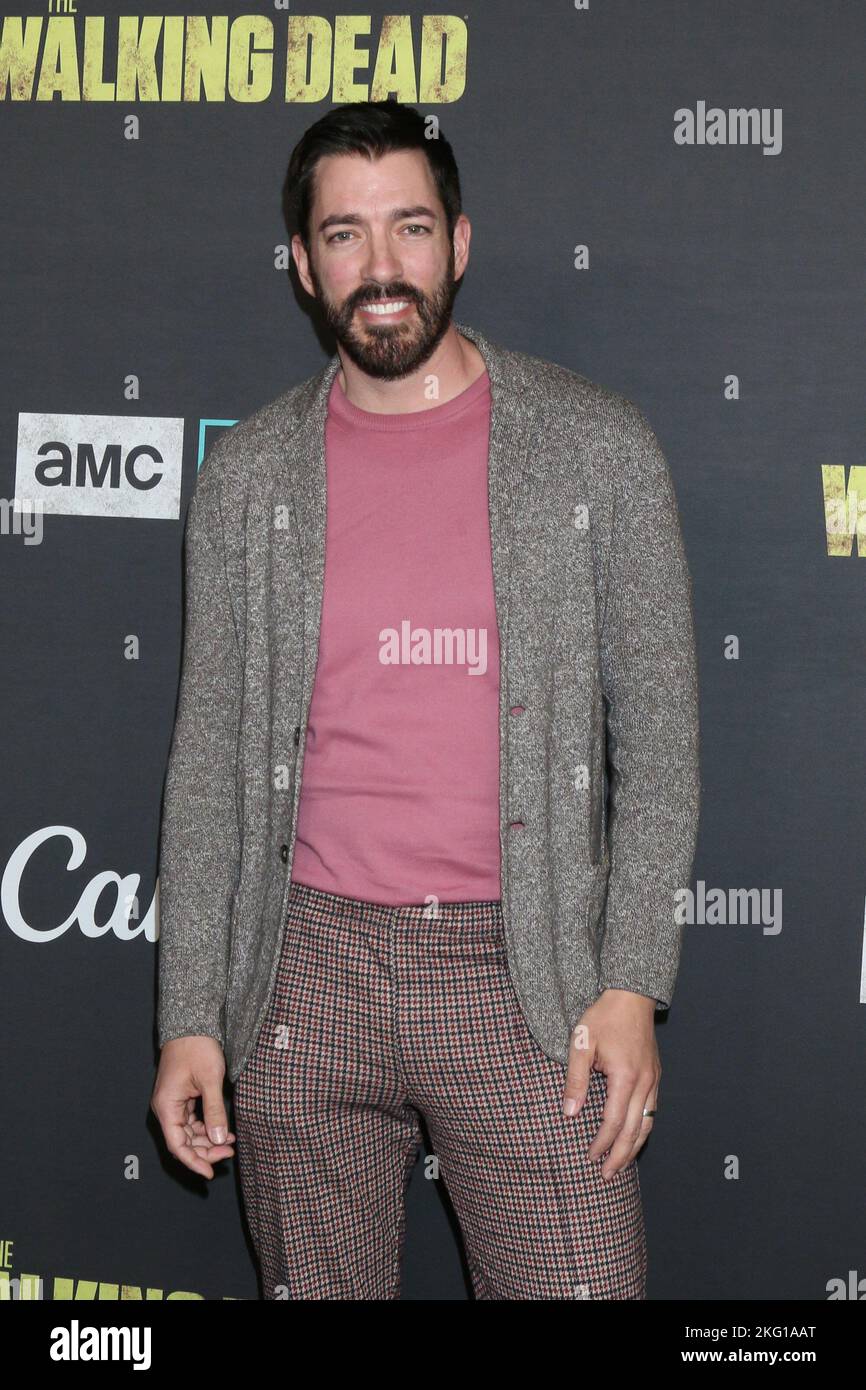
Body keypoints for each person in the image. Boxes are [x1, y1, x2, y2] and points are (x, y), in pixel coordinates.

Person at [150, 99, 700, 1300]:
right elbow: (206, 767)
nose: (381, 268)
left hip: (527, 974)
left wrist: (628, 982)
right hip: (302, 970)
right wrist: (191, 1010)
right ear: (302, 265)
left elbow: (656, 742)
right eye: (344, 236)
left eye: (409, 228)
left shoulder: (597, 449)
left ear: (459, 241)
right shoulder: (246, 478)